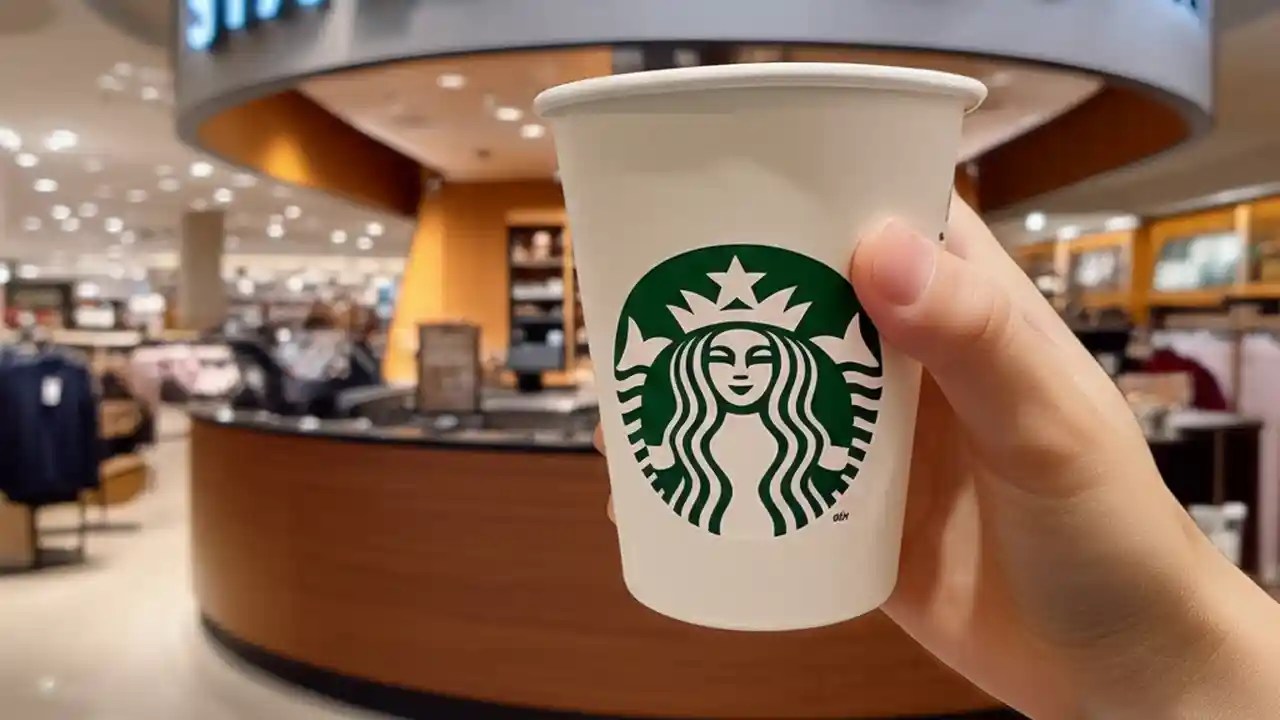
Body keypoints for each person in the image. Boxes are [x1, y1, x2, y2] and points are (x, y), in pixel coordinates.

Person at [597, 197, 1280, 718]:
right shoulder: (693, 448)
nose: (739, 371)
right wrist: (1173, 664)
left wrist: (1172, 654)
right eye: (720, 354)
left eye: (758, 354)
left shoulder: (805, 450)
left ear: (790, 368)